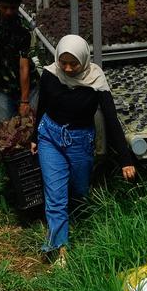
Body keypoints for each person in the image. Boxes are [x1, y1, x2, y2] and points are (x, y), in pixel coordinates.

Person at [31, 35, 136, 266]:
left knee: (79, 190)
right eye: (63, 62)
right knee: (56, 196)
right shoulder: (50, 74)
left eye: (73, 63)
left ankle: (79, 222)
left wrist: (126, 159)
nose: (67, 68)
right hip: (50, 137)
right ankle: (60, 249)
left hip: (80, 141)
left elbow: (111, 118)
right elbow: (42, 106)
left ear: (84, 60)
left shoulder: (95, 79)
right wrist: (34, 136)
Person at [0, 0, 38, 124]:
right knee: (4, 128)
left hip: (27, 83)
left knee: (29, 126)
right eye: (5, 7)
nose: (9, 12)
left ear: (19, 5)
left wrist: (24, 100)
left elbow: (24, 66)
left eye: (13, 8)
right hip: (1, 83)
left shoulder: (23, 29)